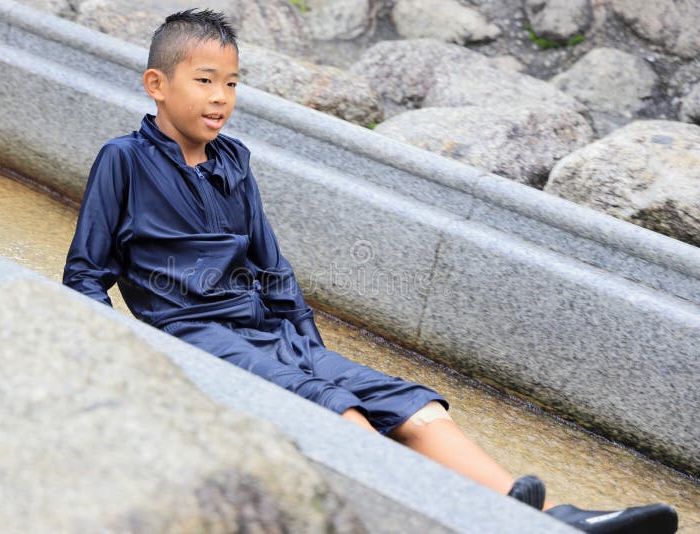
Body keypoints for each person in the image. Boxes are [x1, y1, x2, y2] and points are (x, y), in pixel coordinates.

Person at [62, 9, 678, 533]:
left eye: (231, 82)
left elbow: (271, 266)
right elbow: (85, 273)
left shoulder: (234, 162)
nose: (221, 97)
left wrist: (305, 340)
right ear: (157, 83)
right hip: (195, 334)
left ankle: (543, 519)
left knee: (412, 407)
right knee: (341, 415)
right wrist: (127, 354)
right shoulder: (125, 161)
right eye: (204, 80)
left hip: (267, 332)